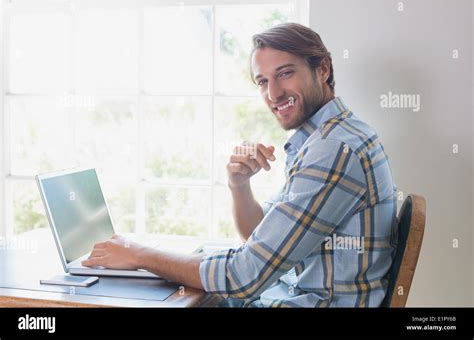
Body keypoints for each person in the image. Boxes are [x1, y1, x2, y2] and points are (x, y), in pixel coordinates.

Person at [83, 23, 398, 307]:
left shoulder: (333, 151)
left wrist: (138, 255)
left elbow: (244, 276)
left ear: (324, 69)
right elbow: (258, 239)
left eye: (285, 73)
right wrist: (239, 184)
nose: (273, 93)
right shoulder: (324, 140)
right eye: (263, 81)